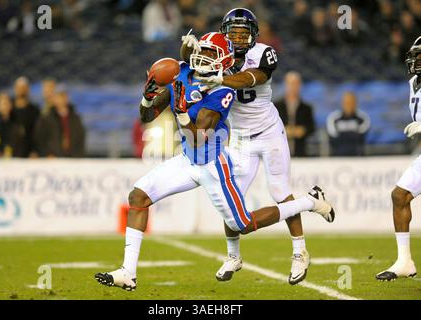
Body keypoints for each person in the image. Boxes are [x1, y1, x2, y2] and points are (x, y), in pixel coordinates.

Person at [94, 32, 335, 291]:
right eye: (203, 51)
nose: (203, 57)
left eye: (211, 53)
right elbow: (147, 115)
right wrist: (148, 94)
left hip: (212, 165)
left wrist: (183, 110)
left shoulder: (223, 91)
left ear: (223, 61)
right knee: (138, 196)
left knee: (242, 224)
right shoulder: (183, 72)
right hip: (187, 161)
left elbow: (199, 137)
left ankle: (310, 202)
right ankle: (127, 272)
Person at [191, 8, 313, 285]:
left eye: (243, 33)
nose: (237, 37)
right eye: (232, 33)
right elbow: (192, 66)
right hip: (241, 139)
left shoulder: (264, 52)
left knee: (281, 191)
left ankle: (300, 252)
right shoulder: (217, 55)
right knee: (229, 200)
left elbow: (255, 77)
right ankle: (233, 255)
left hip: (269, 132)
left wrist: (220, 79)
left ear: (253, 35)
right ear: (224, 34)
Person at [375, 36, 421, 281]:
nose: (417, 62)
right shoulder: (414, 82)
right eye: (416, 56)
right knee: (399, 195)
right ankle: (404, 261)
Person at [34, 85, 85, 157]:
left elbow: (80, 138)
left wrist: (78, 155)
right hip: (53, 158)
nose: (61, 99)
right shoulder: (47, 118)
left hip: (72, 158)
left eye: (63, 96)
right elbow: (40, 138)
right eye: (59, 96)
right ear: (54, 99)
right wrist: (47, 153)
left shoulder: (75, 118)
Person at [275, 71, 315, 157]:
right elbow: (269, 127)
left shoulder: (306, 108)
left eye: (296, 84)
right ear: (286, 85)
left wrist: (303, 130)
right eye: (290, 84)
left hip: (300, 152)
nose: (293, 87)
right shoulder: (276, 106)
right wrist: (284, 131)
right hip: (279, 154)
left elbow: (311, 127)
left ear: (300, 86)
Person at [326, 92, 370, 156]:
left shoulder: (363, 117)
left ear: (355, 103)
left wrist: (343, 134)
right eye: (346, 103)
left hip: (358, 156)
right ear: (342, 103)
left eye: (351, 103)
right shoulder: (333, 118)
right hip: (337, 156)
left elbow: (360, 137)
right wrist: (352, 133)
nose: (348, 105)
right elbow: (333, 138)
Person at [12, 76, 40, 157]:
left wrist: (35, 150)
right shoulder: (9, 109)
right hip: (11, 153)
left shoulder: (35, 111)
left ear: (28, 89)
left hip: (29, 153)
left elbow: (37, 133)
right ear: (15, 88)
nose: (21, 90)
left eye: (24, 87)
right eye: (19, 87)